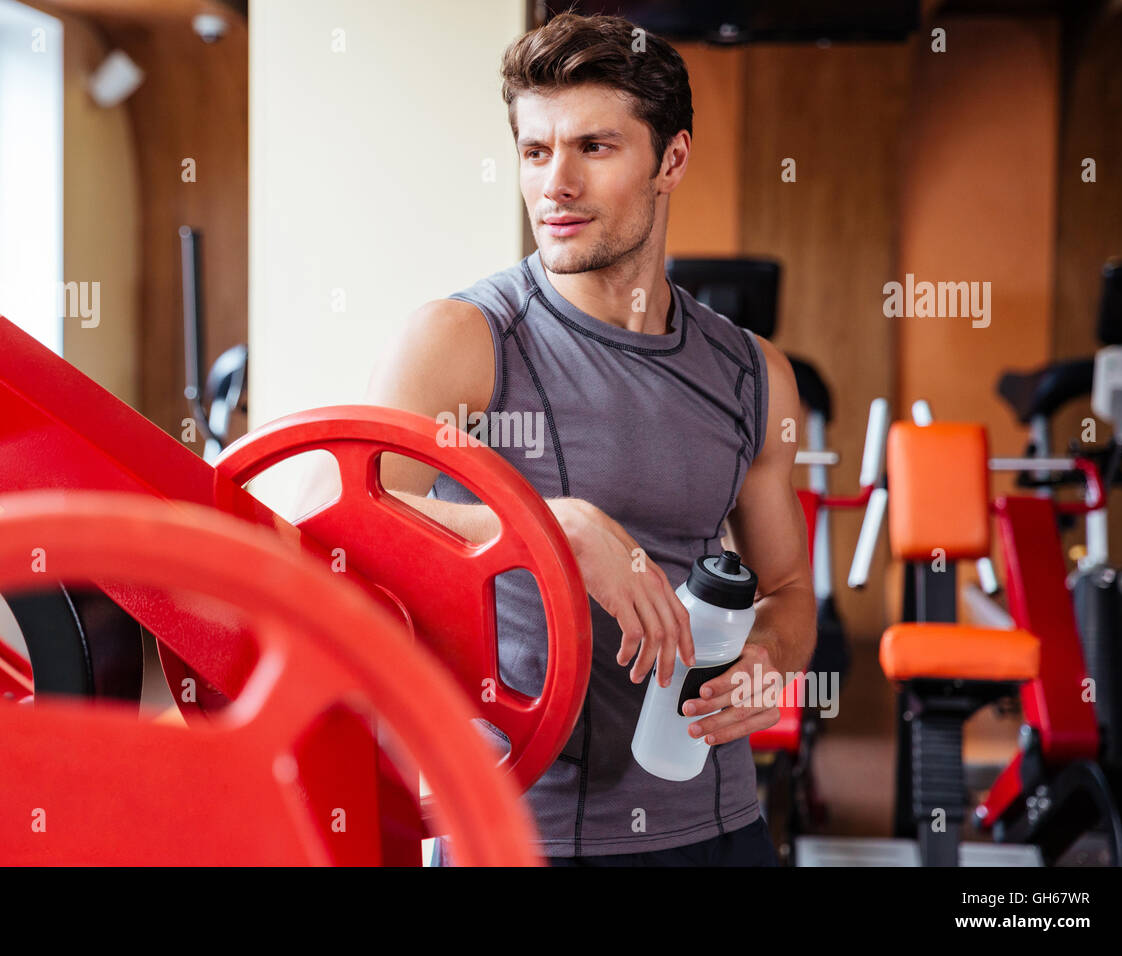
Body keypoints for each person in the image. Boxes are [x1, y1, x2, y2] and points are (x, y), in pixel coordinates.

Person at [304, 12, 815, 866]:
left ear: (672, 160)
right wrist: (551, 529)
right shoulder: (466, 338)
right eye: (535, 152)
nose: (556, 184)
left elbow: (790, 587)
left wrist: (767, 657)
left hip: (719, 824)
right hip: (518, 827)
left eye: (595, 148)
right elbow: (331, 520)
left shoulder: (753, 374)